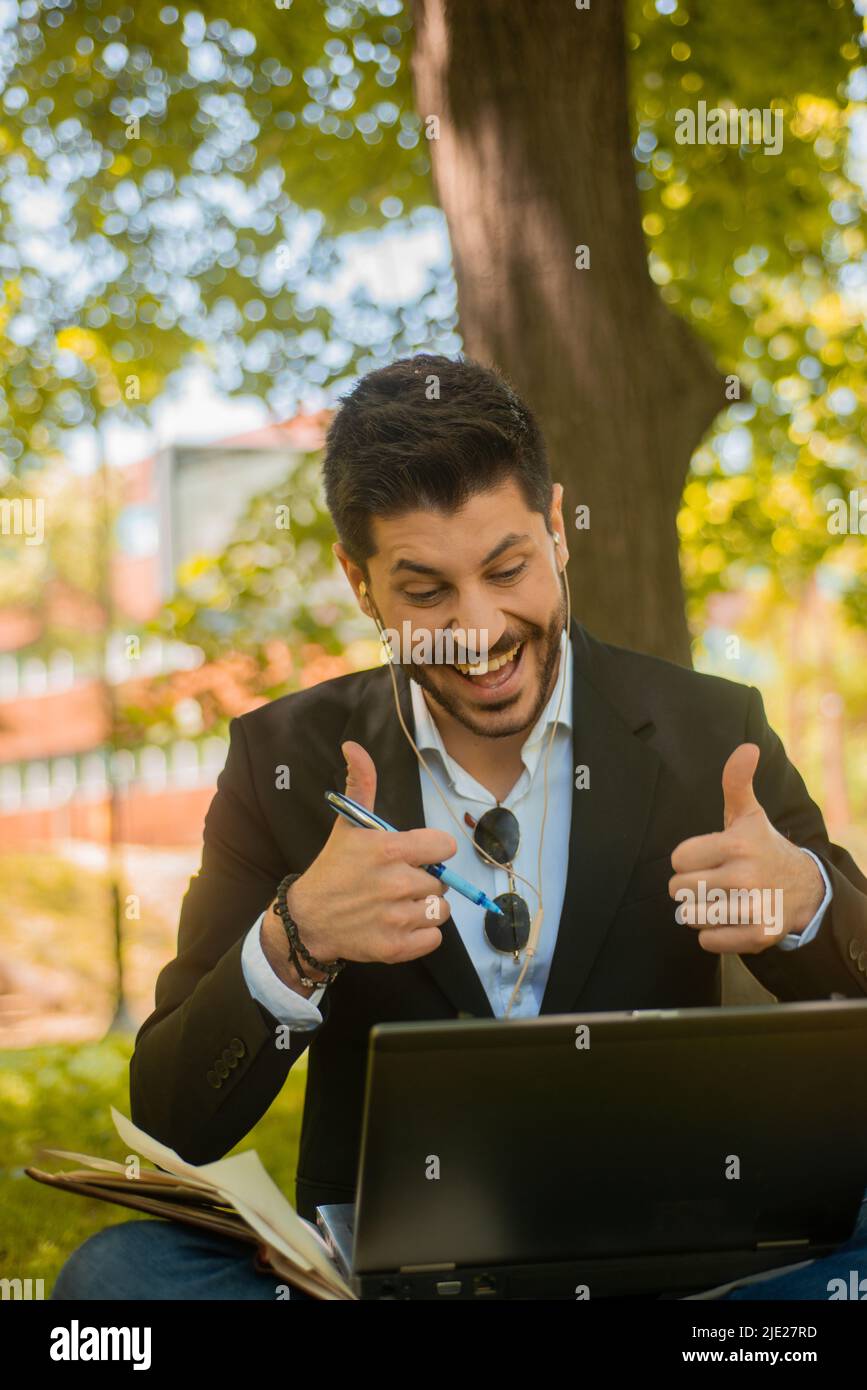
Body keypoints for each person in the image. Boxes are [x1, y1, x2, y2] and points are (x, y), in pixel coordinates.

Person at [53, 354, 867, 1301]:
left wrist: (805, 901)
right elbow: (173, 1123)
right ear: (360, 583)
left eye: (507, 568)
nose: (477, 629)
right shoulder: (280, 762)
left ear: (558, 529)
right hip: (403, 1282)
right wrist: (296, 939)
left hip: (666, 1265)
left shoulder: (708, 731)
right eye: (427, 591)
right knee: (118, 1279)